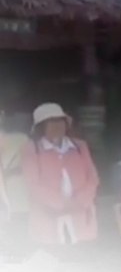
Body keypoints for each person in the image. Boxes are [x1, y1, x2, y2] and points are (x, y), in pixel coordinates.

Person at [22, 103, 99, 247]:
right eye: (51, 122)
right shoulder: (32, 149)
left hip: (80, 216)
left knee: (82, 253)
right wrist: (60, 204)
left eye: (60, 121)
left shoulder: (79, 146)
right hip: (48, 218)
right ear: (41, 127)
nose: (57, 125)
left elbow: (92, 178)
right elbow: (32, 184)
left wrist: (80, 201)